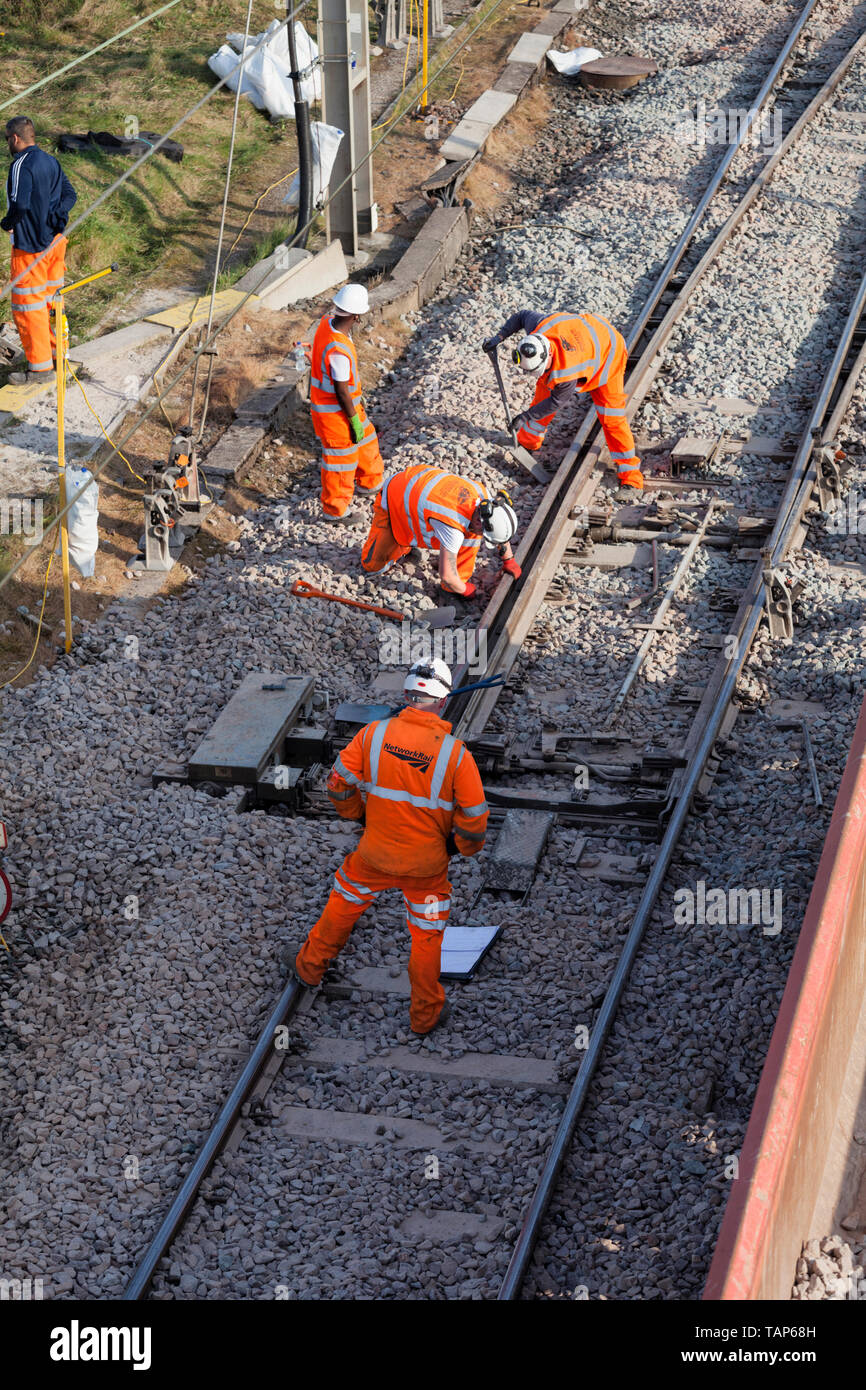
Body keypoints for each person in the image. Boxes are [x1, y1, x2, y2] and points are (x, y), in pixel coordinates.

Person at [295, 659, 488, 1036]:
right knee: (427, 936)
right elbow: (475, 820)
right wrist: (460, 848)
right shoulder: (455, 755)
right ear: (443, 703)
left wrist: (358, 815)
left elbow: (337, 783)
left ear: (406, 696)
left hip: (374, 857)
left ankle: (308, 967)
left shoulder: (372, 736)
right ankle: (425, 1015)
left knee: (343, 903)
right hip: (427, 869)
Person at [482, 308, 645, 490]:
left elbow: (556, 402)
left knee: (612, 418)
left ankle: (631, 476)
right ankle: (527, 441)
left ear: (548, 356)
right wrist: (499, 337)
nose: (540, 375)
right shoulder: (539, 328)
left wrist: (525, 416)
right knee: (543, 390)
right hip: (590, 334)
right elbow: (521, 316)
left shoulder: (567, 372)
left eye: (541, 370)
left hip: (609, 356)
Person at [360, 462, 521, 598]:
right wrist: (467, 591)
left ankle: (454, 587)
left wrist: (509, 560)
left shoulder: (484, 498)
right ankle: (402, 544)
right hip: (395, 495)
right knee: (373, 566)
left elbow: (495, 524)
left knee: (472, 535)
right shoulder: (452, 528)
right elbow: (447, 576)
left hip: (425, 484)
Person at [2, 116, 77, 384]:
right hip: (55, 244)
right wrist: (56, 217)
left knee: (28, 306)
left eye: (7, 139)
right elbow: (71, 195)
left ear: (15, 138)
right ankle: (59, 356)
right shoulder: (50, 161)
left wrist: (6, 224)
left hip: (30, 247)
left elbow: (20, 205)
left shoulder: (21, 165)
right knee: (53, 300)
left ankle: (40, 369)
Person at [310, 282, 384, 522]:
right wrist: (353, 419)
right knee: (340, 462)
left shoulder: (327, 324)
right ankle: (336, 510)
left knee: (367, 439)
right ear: (356, 315)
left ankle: (369, 482)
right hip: (335, 413)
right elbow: (341, 389)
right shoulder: (338, 350)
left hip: (348, 406)